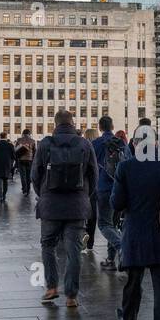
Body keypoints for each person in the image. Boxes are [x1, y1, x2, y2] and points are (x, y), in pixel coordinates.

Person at [112, 124, 160, 320]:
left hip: (136, 234)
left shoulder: (125, 167)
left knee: (134, 281)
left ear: (134, 144)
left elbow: (116, 203)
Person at [31, 109, 97, 308]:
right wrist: (84, 195)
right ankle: (71, 296)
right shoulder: (84, 144)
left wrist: (43, 194)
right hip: (77, 206)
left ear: (55, 124)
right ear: (73, 123)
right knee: (74, 250)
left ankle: (51, 287)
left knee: (48, 246)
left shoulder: (45, 144)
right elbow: (94, 176)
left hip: (50, 205)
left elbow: (35, 175)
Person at [92, 115, 125, 270]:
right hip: (120, 188)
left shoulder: (95, 144)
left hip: (103, 188)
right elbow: (128, 165)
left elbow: (89, 168)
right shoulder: (121, 143)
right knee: (114, 224)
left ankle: (122, 247)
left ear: (100, 127)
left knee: (105, 224)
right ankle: (111, 260)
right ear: (112, 127)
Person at [82, 127, 100, 252]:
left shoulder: (84, 147)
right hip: (98, 185)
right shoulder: (101, 145)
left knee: (82, 213)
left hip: (84, 185)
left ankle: (83, 236)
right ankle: (90, 243)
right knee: (93, 214)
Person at [14, 128, 36, 194]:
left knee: (23, 175)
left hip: (21, 160)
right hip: (30, 160)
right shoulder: (33, 141)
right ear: (29, 134)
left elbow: (15, 150)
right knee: (28, 175)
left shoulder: (19, 140)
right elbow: (35, 151)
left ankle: (24, 189)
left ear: (23, 133)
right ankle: (28, 189)